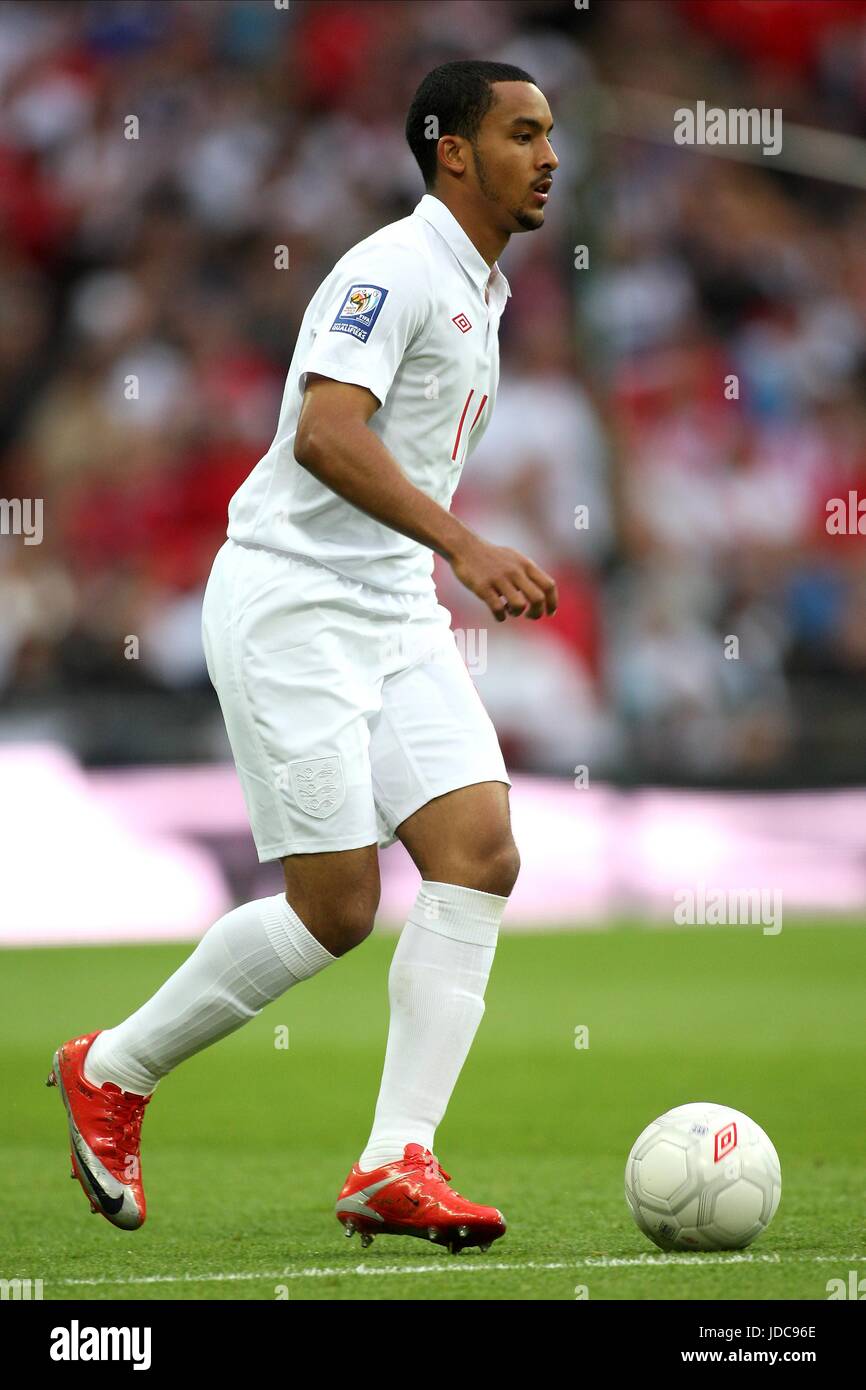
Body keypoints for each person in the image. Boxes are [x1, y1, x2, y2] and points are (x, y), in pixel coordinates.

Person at [48, 59, 559, 1256]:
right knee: (336, 909)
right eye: (523, 134)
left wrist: (434, 565)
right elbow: (327, 434)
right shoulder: (391, 267)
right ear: (451, 150)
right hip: (292, 603)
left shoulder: (479, 285)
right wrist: (466, 546)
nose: (547, 157)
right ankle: (112, 1069)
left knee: (478, 853)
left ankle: (397, 1159)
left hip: (389, 606)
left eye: (550, 135)